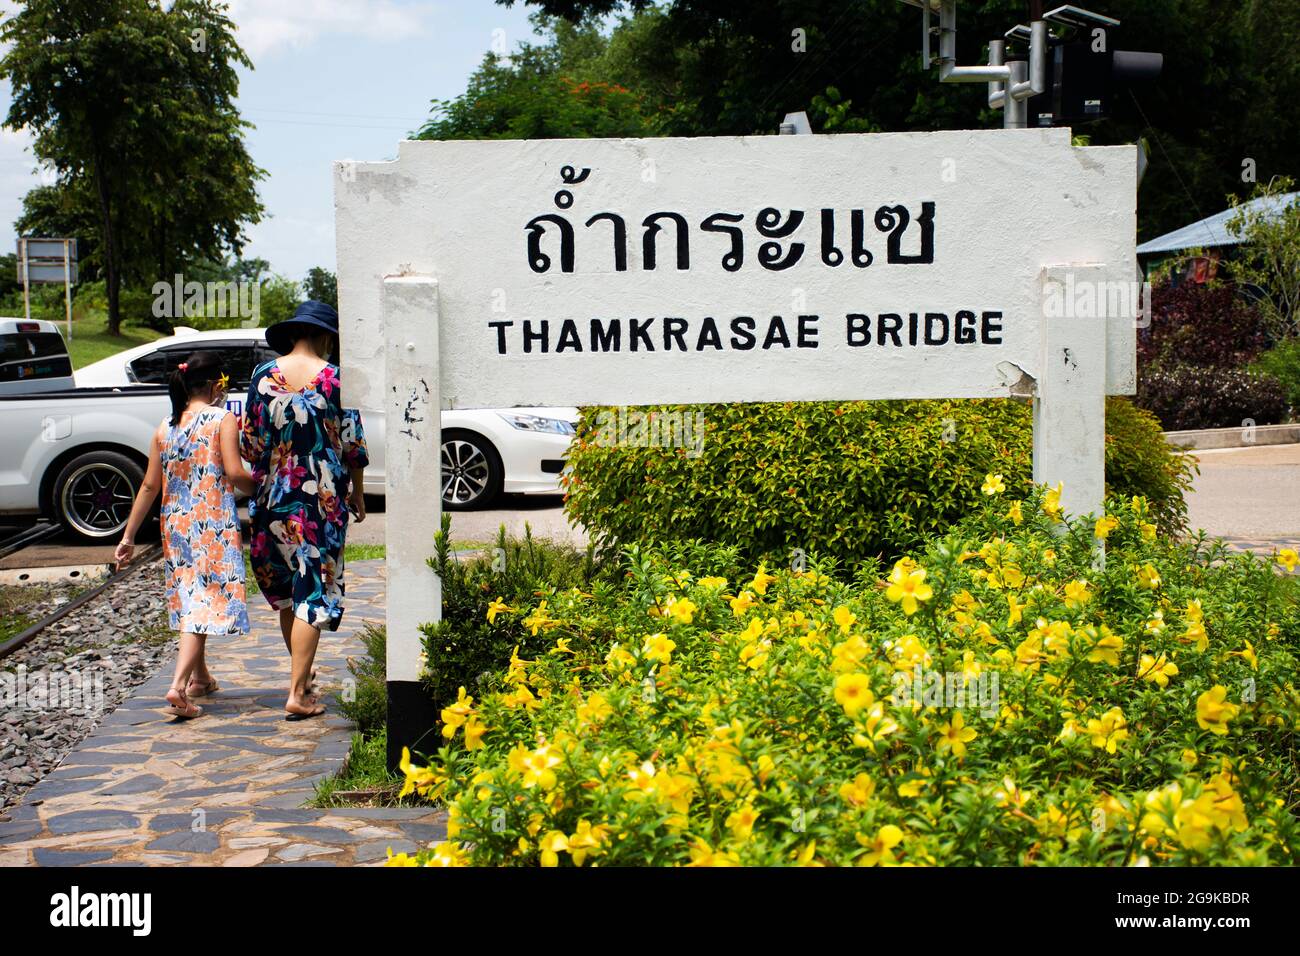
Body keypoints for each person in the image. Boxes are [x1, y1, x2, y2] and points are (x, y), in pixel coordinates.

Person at [241, 300, 368, 721]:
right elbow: (353, 445)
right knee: (312, 589)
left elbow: (250, 445)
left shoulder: (262, 376)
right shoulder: (336, 380)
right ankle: (297, 692)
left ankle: (302, 677)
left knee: (288, 594)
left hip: (272, 498)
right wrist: (359, 494)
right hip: (319, 501)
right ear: (325, 335)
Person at [115, 350, 254, 719]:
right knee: (203, 606)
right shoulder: (221, 419)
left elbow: (148, 486)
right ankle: (177, 688)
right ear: (213, 385)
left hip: (175, 527)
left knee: (194, 599)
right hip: (212, 525)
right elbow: (236, 473)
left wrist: (128, 537)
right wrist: (265, 488)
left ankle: (200, 679)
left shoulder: (165, 426)